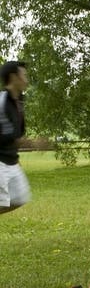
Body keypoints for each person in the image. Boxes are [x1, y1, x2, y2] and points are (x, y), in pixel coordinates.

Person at [0, 60, 32, 214]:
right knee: (2, 202)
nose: (26, 79)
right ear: (13, 77)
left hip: (11, 160)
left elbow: (18, 133)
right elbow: (9, 137)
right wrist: (34, 143)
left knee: (20, 197)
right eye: (23, 75)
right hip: (1, 162)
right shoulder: (2, 103)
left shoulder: (19, 100)